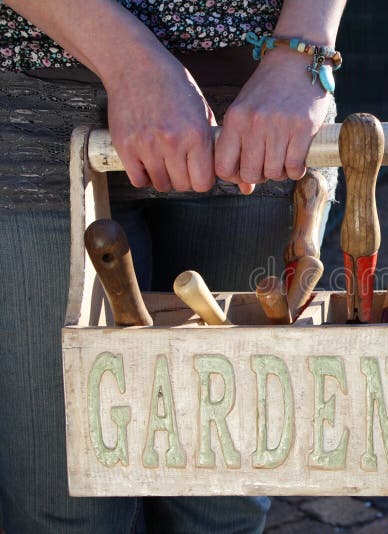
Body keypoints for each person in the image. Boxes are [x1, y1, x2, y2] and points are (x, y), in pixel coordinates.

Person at [0, 0, 345, 531]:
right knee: (67, 511)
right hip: (36, 100)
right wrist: (130, 62)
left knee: (221, 501)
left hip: (256, 106)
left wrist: (303, 51)